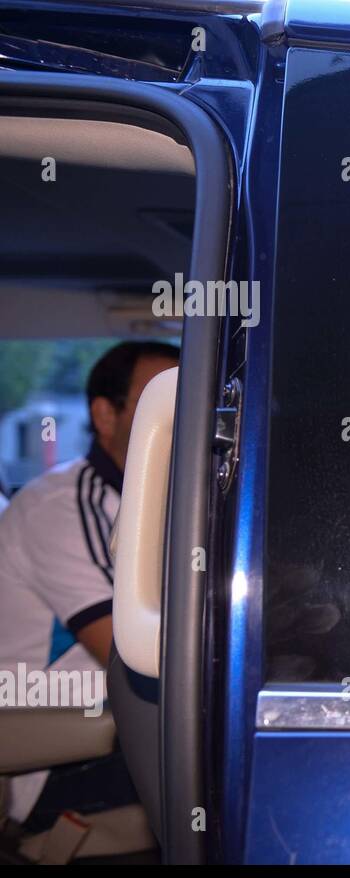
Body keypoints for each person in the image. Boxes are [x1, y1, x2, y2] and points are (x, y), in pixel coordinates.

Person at [0, 340, 179, 826]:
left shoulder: (170, 509)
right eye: (160, 403)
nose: (181, 420)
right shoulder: (61, 508)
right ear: (105, 415)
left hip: (121, 724)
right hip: (55, 756)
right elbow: (132, 651)